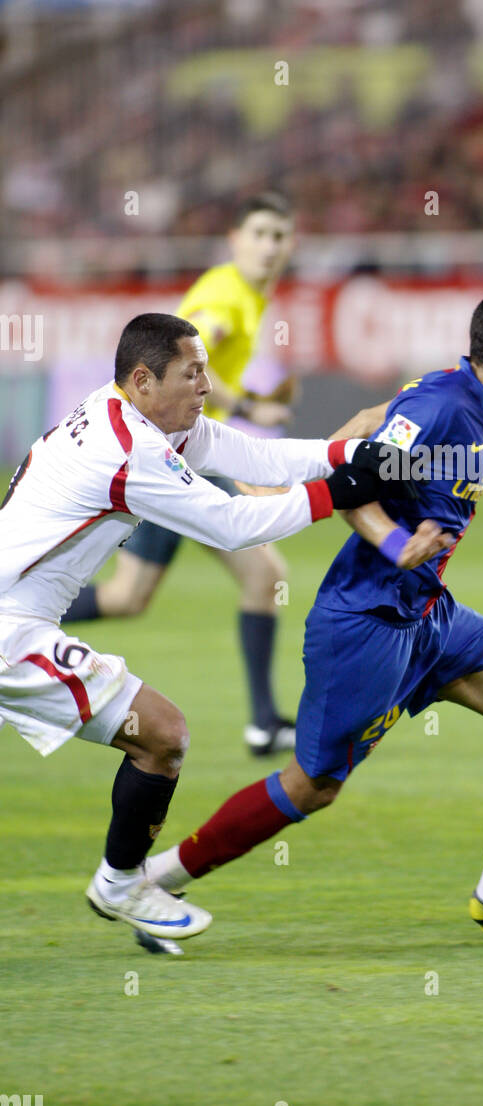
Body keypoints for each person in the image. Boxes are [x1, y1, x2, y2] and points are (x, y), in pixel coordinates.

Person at [148, 288, 483, 935]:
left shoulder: (473, 400)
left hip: (427, 613)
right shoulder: (442, 407)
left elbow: (366, 421)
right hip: (367, 621)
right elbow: (357, 484)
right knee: (313, 785)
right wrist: (393, 543)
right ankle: (157, 880)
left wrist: (346, 451)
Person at [0, 313, 450, 944]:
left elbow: (255, 455)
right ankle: (121, 883)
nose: (207, 385)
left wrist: (346, 456)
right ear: (143, 380)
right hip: (10, 631)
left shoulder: (137, 414)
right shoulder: (128, 450)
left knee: (158, 734)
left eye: (206, 369)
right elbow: (230, 524)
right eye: (193, 373)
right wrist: (339, 492)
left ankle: (121, 881)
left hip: (21, 615)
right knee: (161, 734)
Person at [62, 193, 352, 757]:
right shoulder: (227, 294)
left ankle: (264, 722)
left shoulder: (244, 291)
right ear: (235, 241)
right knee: (253, 574)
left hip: (184, 453)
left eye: (279, 236)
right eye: (260, 234)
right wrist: (251, 407)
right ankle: (264, 722)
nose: (270, 246)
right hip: (170, 459)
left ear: (290, 246)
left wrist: (249, 403)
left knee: (135, 596)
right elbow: (198, 356)